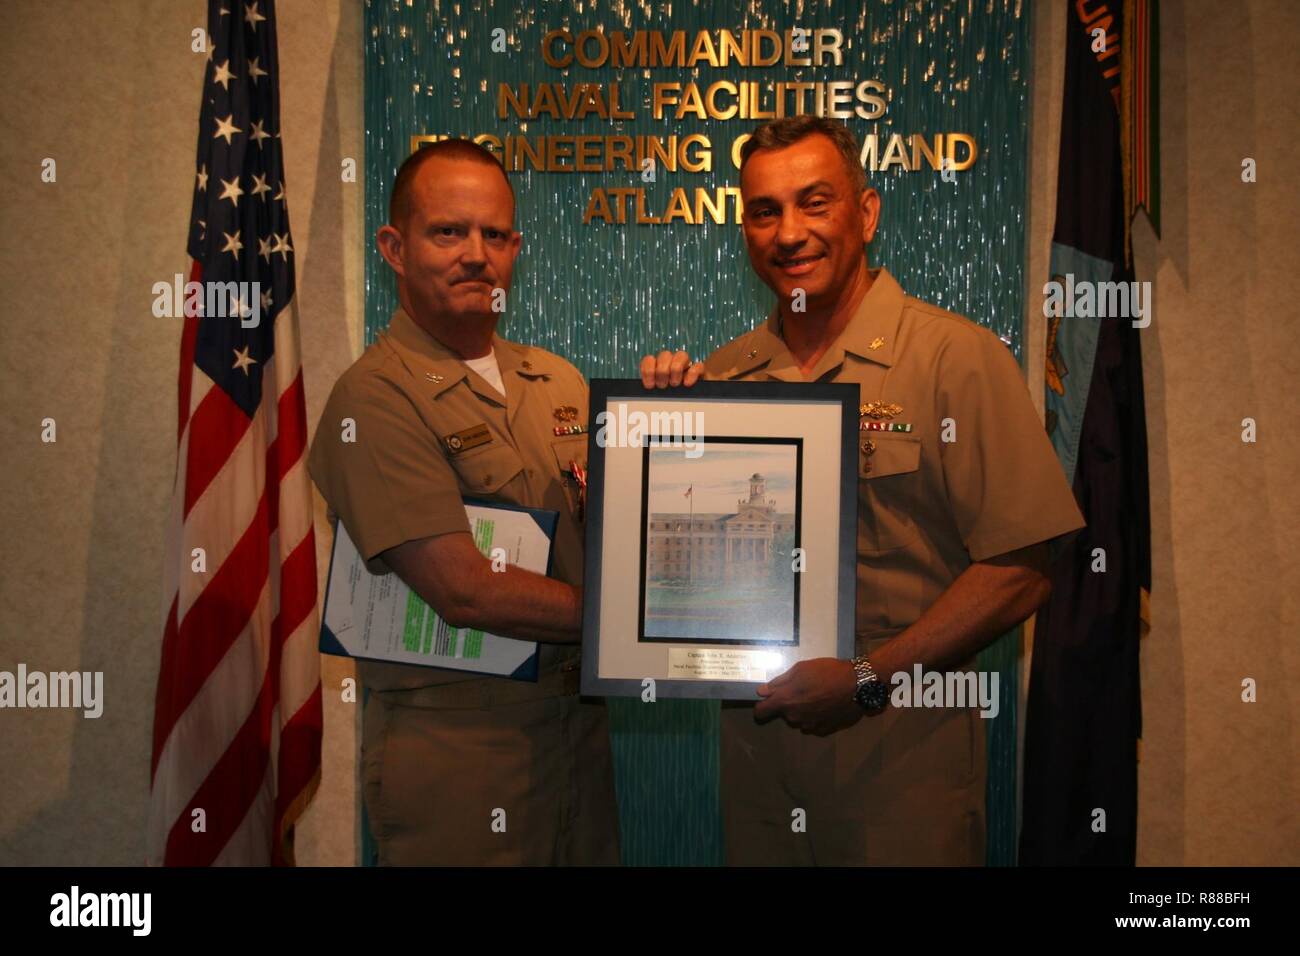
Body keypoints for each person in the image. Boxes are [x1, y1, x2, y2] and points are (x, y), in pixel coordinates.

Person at [641, 115, 1084, 865]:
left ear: (867, 211)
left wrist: (868, 680)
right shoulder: (724, 376)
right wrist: (652, 435)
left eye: (815, 202)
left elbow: (1023, 568)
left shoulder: (956, 358)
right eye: (764, 211)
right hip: (760, 763)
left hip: (901, 764)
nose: (789, 233)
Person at [308, 138, 619, 865]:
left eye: (495, 234)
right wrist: (643, 623)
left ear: (516, 248)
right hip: (460, 753)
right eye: (448, 231)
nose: (475, 253)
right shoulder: (374, 397)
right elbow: (465, 591)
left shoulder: (560, 383)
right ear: (394, 245)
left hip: (576, 734)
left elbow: (612, 535)